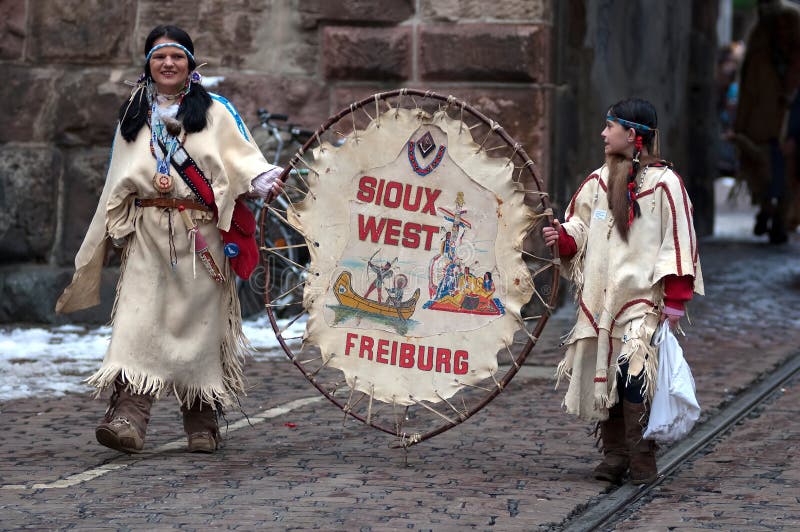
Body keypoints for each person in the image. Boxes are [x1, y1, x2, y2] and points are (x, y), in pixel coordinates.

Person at [55, 25, 283, 454]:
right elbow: (118, 176)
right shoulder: (132, 114)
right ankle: (128, 417)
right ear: (148, 65)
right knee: (137, 322)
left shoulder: (216, 111)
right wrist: (116, 227)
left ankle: (202, 420)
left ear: (191, 64)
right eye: (159, 56)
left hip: (201, 237)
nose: (168, 63)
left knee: (199, 328)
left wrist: (261, 179)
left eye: (176, 56)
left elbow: (243, 160)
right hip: (148, 232)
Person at [543, 98, 704, 485]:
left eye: (610, 126)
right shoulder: (597, 181)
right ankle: (614, 455)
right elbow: (580, 227)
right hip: (602, 301)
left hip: (642, 301)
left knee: (634, 376)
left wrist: (675, 301)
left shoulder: (666, 185)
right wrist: (562, 237)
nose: (603, 134)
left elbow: (679, 242)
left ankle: (641, 456)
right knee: (606, 374)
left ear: (632, 135)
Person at [733, 0, 800, 243]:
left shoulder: (791, 25)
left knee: (787, 170)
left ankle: (780, 216)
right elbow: (749, 80)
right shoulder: (760, 39)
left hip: (787, 118)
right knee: (761, 168)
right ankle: (767, 208)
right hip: (760, 120)